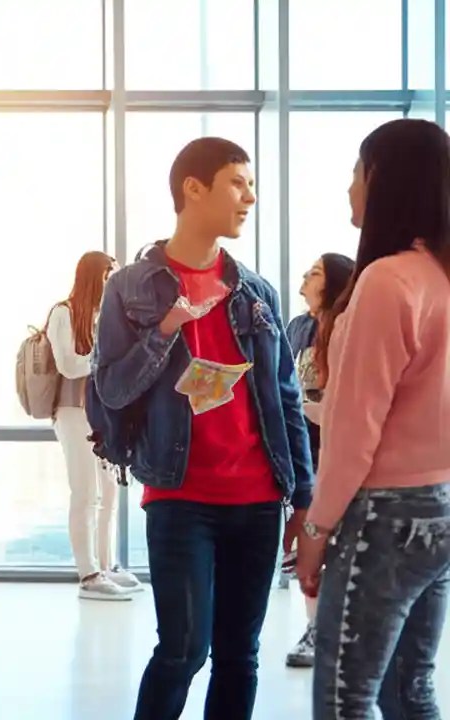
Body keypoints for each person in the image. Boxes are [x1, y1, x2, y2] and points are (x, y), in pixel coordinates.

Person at [88, 137, 314, 720]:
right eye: (238, 183)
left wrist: (304, 499)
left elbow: (286, 400)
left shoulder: (256, 292)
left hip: (260, 500)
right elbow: (110, 388)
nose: (251, 197)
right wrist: (164, 329)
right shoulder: (130, 288)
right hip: (179, 495)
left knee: (241, 657)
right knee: (183, 651)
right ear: (193, 188)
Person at [296, 118, 450, 719]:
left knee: (344, 699)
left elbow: (354, 431)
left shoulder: (388, 281)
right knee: (410, 691)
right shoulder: (439, 276)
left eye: (356, 173)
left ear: (381, 178)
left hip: (385, 516)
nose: (350, 189)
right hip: (438, 506)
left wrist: (315, 532)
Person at [48, 251, 140, 601]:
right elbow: (69, 365)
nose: (114, 282)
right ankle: (88, 573)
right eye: (108, 275)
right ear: (93, 276)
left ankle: (107, 564)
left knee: (109, 492)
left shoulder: (110, 315)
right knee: (85, 492)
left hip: (105, 412)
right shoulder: (64, 312)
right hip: (74, 411)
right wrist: (108, 359)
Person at [281, 252, 355, 669]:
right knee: (309, 546)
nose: (306, 277)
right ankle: (315, 628)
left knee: (335, 546)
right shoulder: (297, 327)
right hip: (306, 452)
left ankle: (335, 629)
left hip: (340, 451)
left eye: (315, 272)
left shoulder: (347, 327)